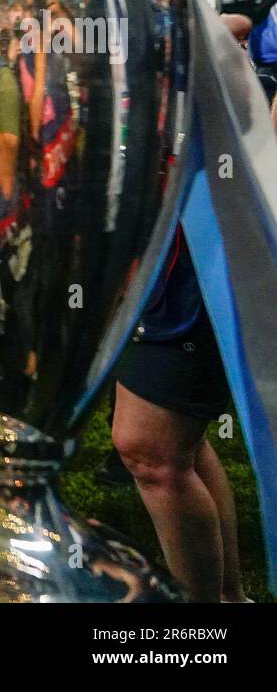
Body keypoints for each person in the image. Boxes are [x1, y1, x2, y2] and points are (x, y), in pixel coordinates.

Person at [111, 229, 247, 602]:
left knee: (150, 448)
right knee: (176, 443)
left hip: (197, 255)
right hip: (170, 255)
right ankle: (228, 597)